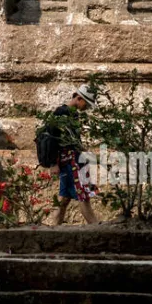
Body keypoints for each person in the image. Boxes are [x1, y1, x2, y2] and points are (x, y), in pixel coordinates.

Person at [51, 83, 99, 225]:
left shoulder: (73, 115)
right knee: (83, 196)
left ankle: (54, 228)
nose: (87, 108)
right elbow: (53, 139)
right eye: (87, 104)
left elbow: (72, 140)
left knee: (64, 199)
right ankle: (96, 227)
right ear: (79, 98)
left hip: (72, 161)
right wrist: (53, 163)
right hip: (71, 163)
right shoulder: (61, 113)